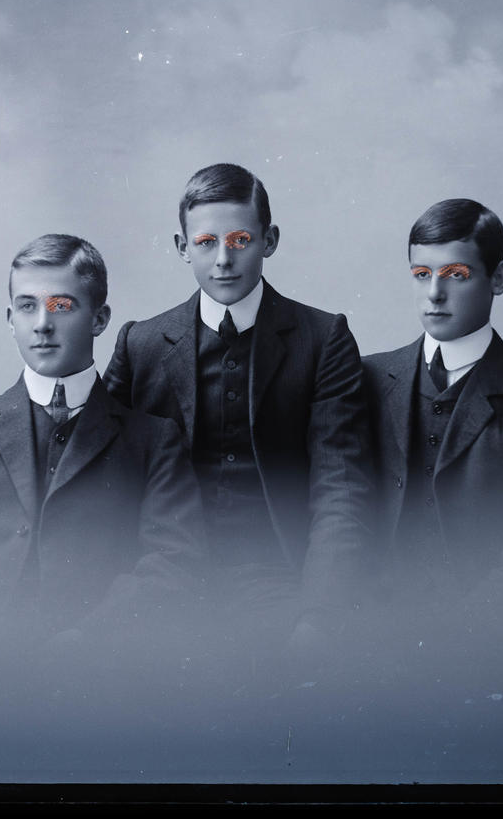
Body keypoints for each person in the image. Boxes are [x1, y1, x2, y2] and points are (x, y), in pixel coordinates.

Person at [0, 234, 207, 644]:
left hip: (95, 675)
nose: (42, 324)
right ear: (10, 319)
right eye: (27, 306)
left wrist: (86, 638)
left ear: (100, 319)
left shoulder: (152, 441)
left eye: (61, 305)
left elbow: (175, 565)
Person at [104, 163, 372, 656]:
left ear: (269, 240)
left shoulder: (322, 338)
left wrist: (320, 613)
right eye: (206, 243)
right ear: (182, 248)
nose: (224, 259)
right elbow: (102, 475)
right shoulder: (140, 343)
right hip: (162, 580)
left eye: (241, 239)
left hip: (279, 580)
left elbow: (341, 487)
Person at [362, 198, 503, 649]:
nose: (434, 294)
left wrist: (453, 648)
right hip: (363, 645)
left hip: (480, 652)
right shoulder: (364, 380)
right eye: (421, 274)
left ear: (498, 279)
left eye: (456, 275)